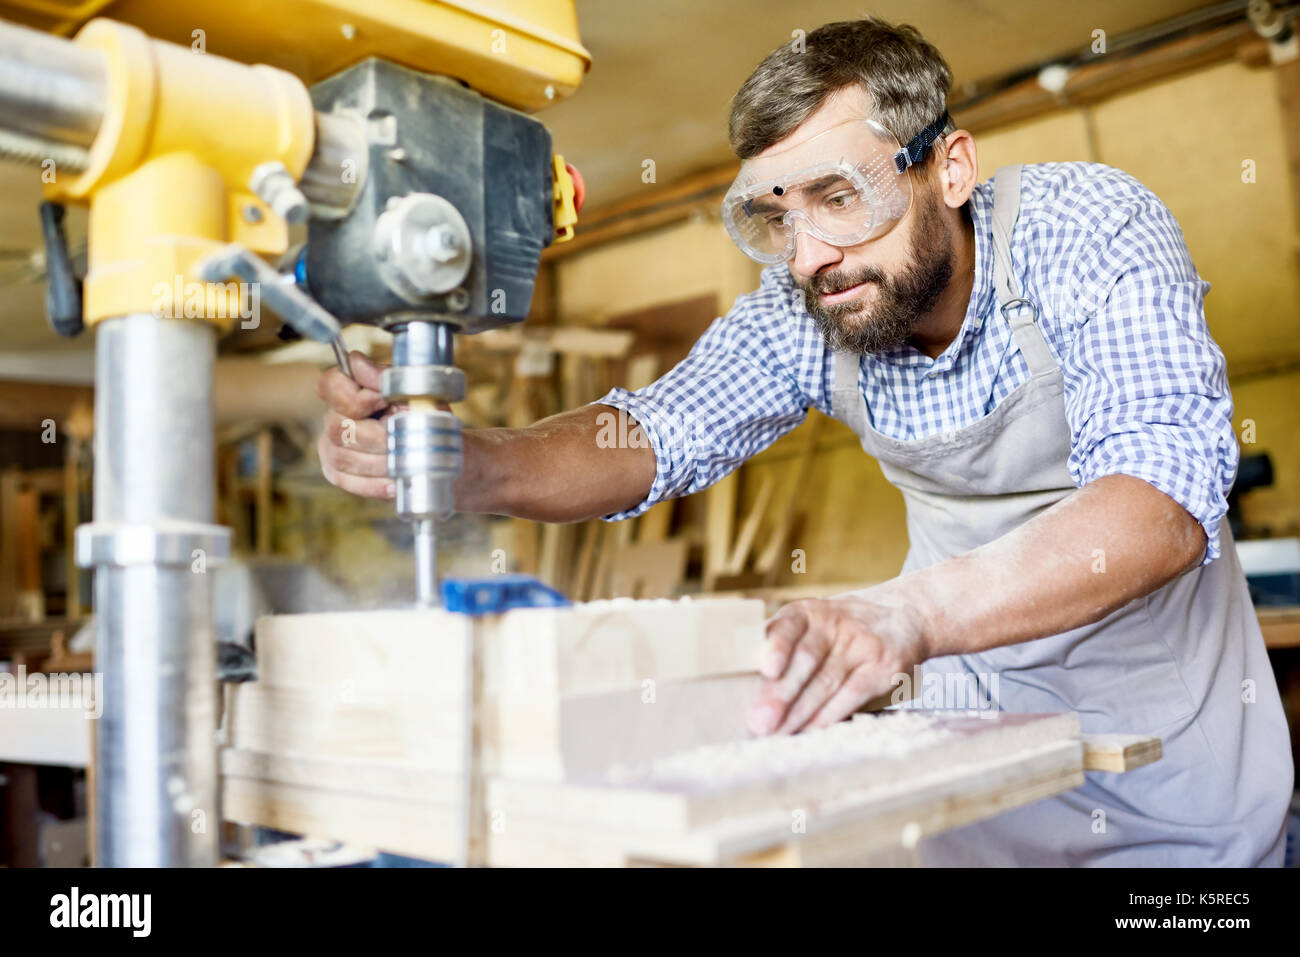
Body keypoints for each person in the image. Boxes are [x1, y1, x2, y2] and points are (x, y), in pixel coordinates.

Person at [317, 17, 1292, 865]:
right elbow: (652, 432)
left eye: (837, 196)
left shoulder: (1085, 229)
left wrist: (905, 616)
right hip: (972, 770)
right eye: (774, 215)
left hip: (1174, 784)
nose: (809, 253)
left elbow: (1158, 501)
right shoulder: (804, 304)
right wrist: (468, 458)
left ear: (949, 168)